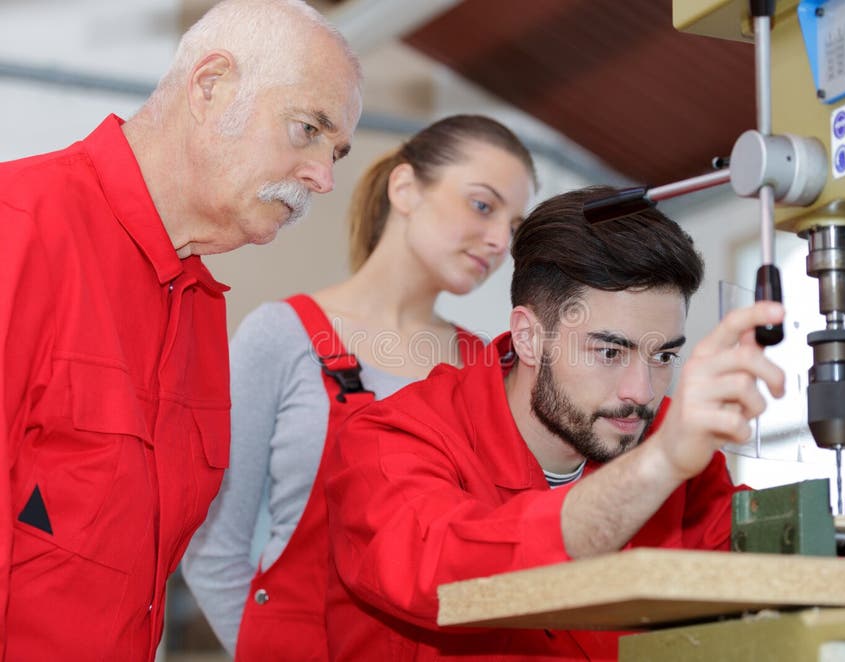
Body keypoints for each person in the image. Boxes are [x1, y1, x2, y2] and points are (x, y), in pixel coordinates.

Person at [0, 1, 361, 660]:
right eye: (308, 129)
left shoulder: (199, 307)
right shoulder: (16, 228)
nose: (324, 177)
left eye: (334, 151)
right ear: (210, 85)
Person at [323, 186, 787, 660]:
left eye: (663, 354)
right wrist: (659, 464)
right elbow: (446, 573)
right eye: (610, 351)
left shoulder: (662, 437)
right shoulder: (387, 442)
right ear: (529, 338)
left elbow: (751, 564)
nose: (642, 392)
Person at [181, 114, 537, 659]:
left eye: (513, 227)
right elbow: (211, 548)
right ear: (406, 189)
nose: (498, 241)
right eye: (483, 205)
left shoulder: (488, 370)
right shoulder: (281, 336)